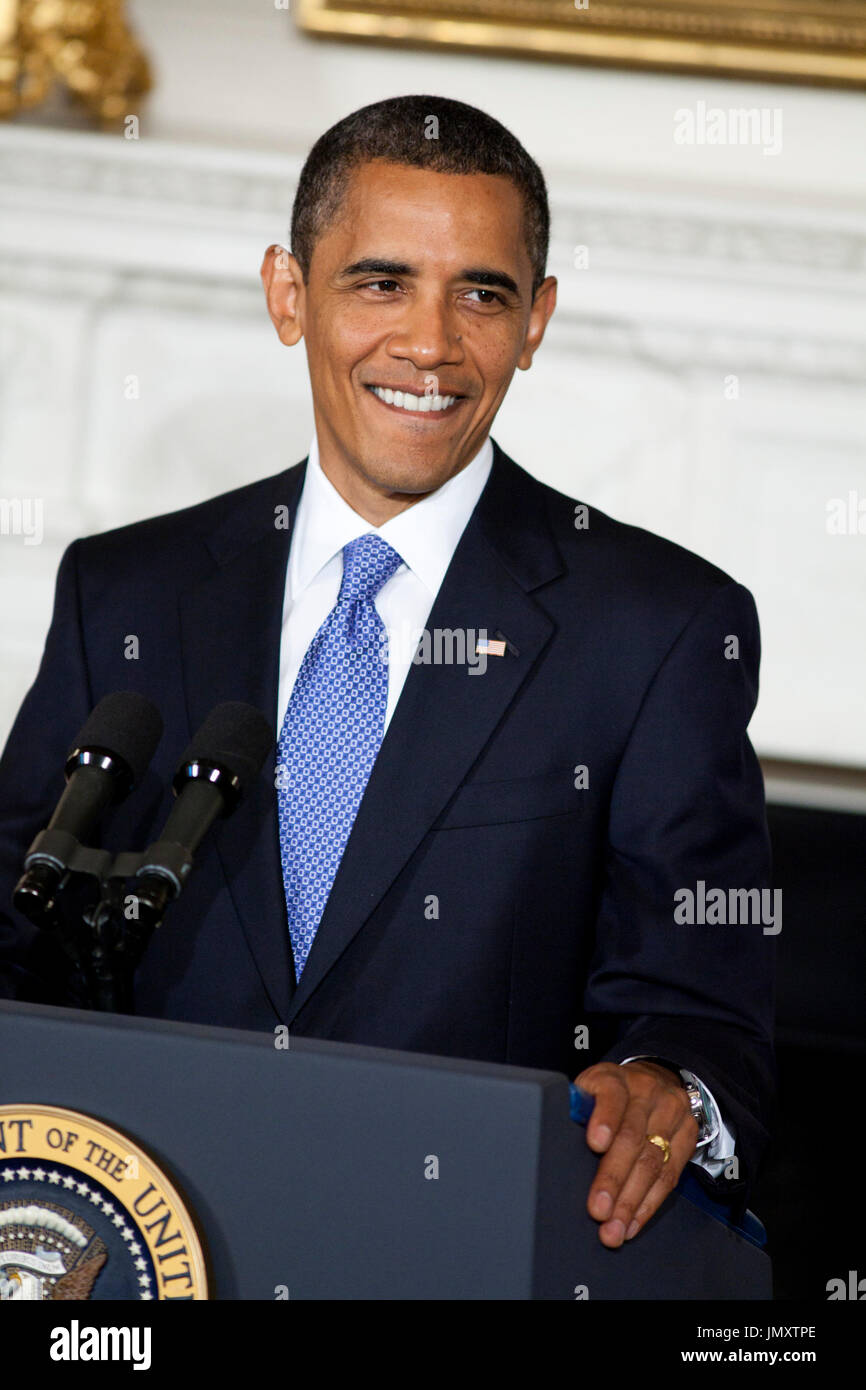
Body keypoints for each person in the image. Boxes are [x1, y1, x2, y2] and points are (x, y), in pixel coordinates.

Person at [0, 95, 775, 1251]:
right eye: (379, 282)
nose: (428, 343)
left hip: (452, 1247)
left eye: (481, 292)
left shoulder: (654, 629)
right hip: (144, 1248)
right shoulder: (126, 591)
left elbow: (695, 993)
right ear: (286, 291)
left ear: (535, 321)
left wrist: (667, 1082)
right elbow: (20, 908)